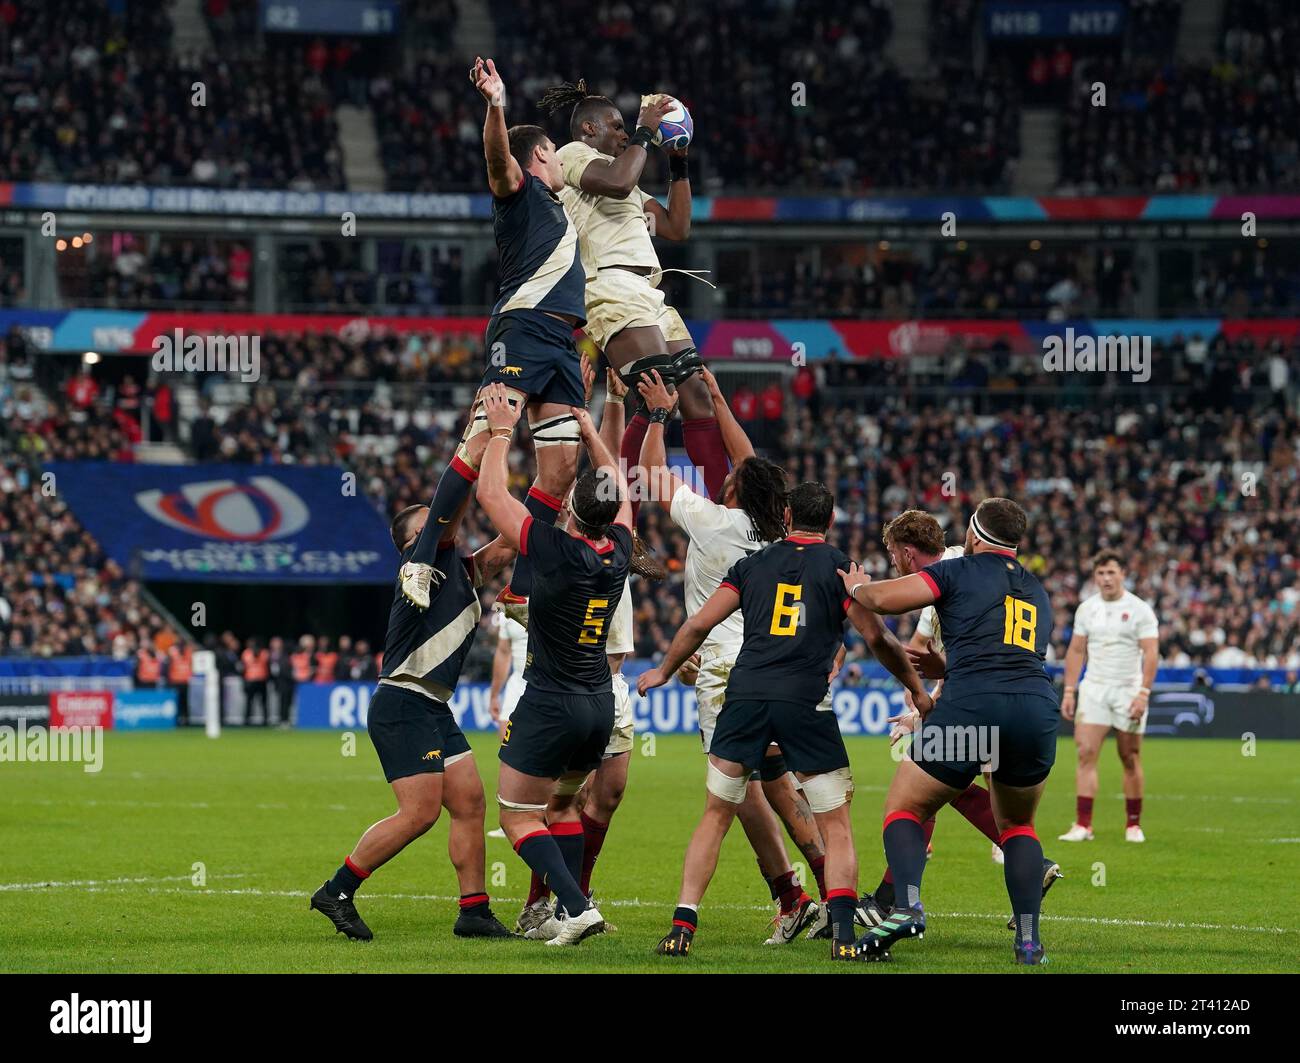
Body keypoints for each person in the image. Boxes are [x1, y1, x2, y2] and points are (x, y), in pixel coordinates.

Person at [639, 482, 932, 962]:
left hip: (746, 696)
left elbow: (697, 625)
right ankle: (841, 936)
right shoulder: (841, 571)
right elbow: (877, 638)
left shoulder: (752, 565)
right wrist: (918, 691)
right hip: (804, 702)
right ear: (830, 521)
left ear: (789, 514)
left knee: (716, 814)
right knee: (835, 823)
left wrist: (663, 670)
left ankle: (682, 926)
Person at [636, 367, 837, 945]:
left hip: (725, 672)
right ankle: (820, 892)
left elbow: (653, 475)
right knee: (774, 779)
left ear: (733, 491)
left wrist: (656, 415)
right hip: (783, 667)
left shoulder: (714, 521)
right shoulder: (780, 531)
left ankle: (785, 897)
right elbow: (750, 466)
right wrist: (718, 400)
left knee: (735, 789)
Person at [308, 419, 514, 942]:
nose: (440, 529)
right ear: (409, 546)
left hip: (431, 706)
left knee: (468, 802)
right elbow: (452, 509)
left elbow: (511, 542)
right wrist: (488, 434)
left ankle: (473, 910)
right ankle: (337, 889)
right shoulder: (416, 570)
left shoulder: (460, 570)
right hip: (403, 702)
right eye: (426, 527)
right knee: (420, 814)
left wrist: (559, 463)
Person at [399, 57, 587, 620]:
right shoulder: (521, 189)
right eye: (555, 153)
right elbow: (496, 160)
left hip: (562, 344)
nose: (561, 163)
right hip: (523, 326)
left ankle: (518, 588)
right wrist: (496, 103)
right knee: (483, 439)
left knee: (561, 468)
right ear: (539, 157)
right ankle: (425, 556)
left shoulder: (557, 208)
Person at [840, 497, 1057, 966]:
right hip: (1036, 712)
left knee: (906, 808)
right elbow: (1004, 655)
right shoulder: (1039, 591)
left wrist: (858, 587)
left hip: (973, 708)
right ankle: (1029, 942)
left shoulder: (957, 570)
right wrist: (945, 666)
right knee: (1017, 825)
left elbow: (882, 600)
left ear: (975, 537)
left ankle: (906, 907)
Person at [536, 79, 731, 535]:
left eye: (628, 128)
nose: (625, 134)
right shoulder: (573, 157)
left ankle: (731, 514)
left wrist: (678, 163)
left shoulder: (626, 171)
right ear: (588, 127)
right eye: (617, 126)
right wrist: (645, 130)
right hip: (610, 285)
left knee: (697, 395)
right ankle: (623, 525)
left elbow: (679, 227)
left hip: (651, 291)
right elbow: (620, 182)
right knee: (656, 389)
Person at [475, 382, 633, 947]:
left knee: (517, 813)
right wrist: (590, 430)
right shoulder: (620, 549)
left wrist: (499, 432)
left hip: (550, 701)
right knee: (564, 803)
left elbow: (493, 497)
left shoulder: (553, 548)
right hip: (599, 703)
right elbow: (622, 493)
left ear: (570, 508)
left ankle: (572, 906)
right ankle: (575, 906)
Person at [1058, 550, 1160, 843]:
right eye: (1101, 573)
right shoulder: (1086, 609)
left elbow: (1151, 653)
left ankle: (1133, 825)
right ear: (1095, 577)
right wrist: (1069, 690)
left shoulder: (1140, 610)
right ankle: (1083, 825)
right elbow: (1076, 650)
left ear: (1122, 574)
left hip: (1128, 689)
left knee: (1129, 756)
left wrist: (1143, 693)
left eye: (1111, 572)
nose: (1106, 578)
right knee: (1085, 753)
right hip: (1094, 689)